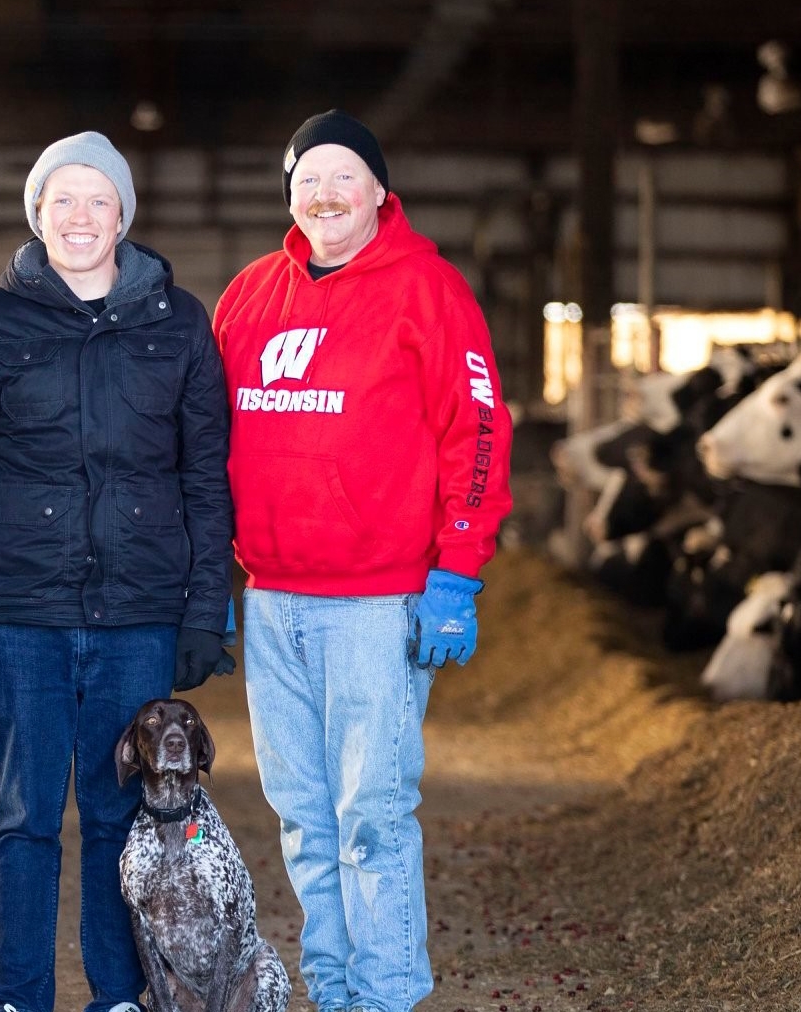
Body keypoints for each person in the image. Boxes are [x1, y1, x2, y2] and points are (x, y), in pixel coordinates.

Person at [0, 131, 234, 1012]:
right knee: (25, 819)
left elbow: (207, 478)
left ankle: (117, 997)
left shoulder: (178, 324)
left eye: (100, 200)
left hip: (138, 614)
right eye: (63, 199)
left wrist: (205, 611)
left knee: (116, 816)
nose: (81, 217)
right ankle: (18, 996)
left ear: (125, 215)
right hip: (21, 614)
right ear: (38, 214)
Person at [212, 111, 514, 1012]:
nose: (326, 193)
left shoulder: (429, 290)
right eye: (309, 178)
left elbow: (481, 431)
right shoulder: (249, 296)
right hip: (272, 601)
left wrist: (458, 569)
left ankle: (384, 998)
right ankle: (333, 993)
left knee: (372, 820)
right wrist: (206, 573)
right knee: (305, 821)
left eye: (346, 176)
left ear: (380, 191)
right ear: (289, 192)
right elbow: (204, 439)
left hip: (378, 604)